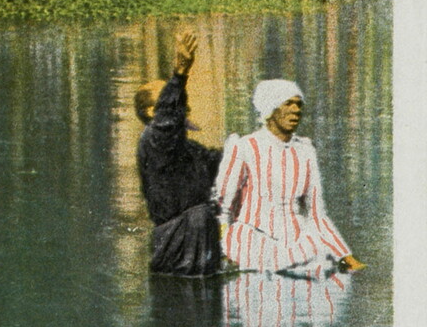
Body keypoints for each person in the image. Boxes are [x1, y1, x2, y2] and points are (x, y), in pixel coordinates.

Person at [216, 79, 365, 278]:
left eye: (299, 104)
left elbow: (316, 214)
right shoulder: (245, 146)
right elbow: (222, 206)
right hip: (252, 241)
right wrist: (222, 249)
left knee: (328, 275)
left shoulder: (306, 150)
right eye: (288, 103)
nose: (296, 110)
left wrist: (346, 256)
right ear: (270, 109)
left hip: (298, 244)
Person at [133, 31, 223, 277]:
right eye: (169, 100)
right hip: (177, 244)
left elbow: (220, 163)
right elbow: (167, 119)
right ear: (152, 112)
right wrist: (180, 74)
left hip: (195, 239)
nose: (183, 105)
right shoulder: (155, 141)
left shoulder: (187, 149)